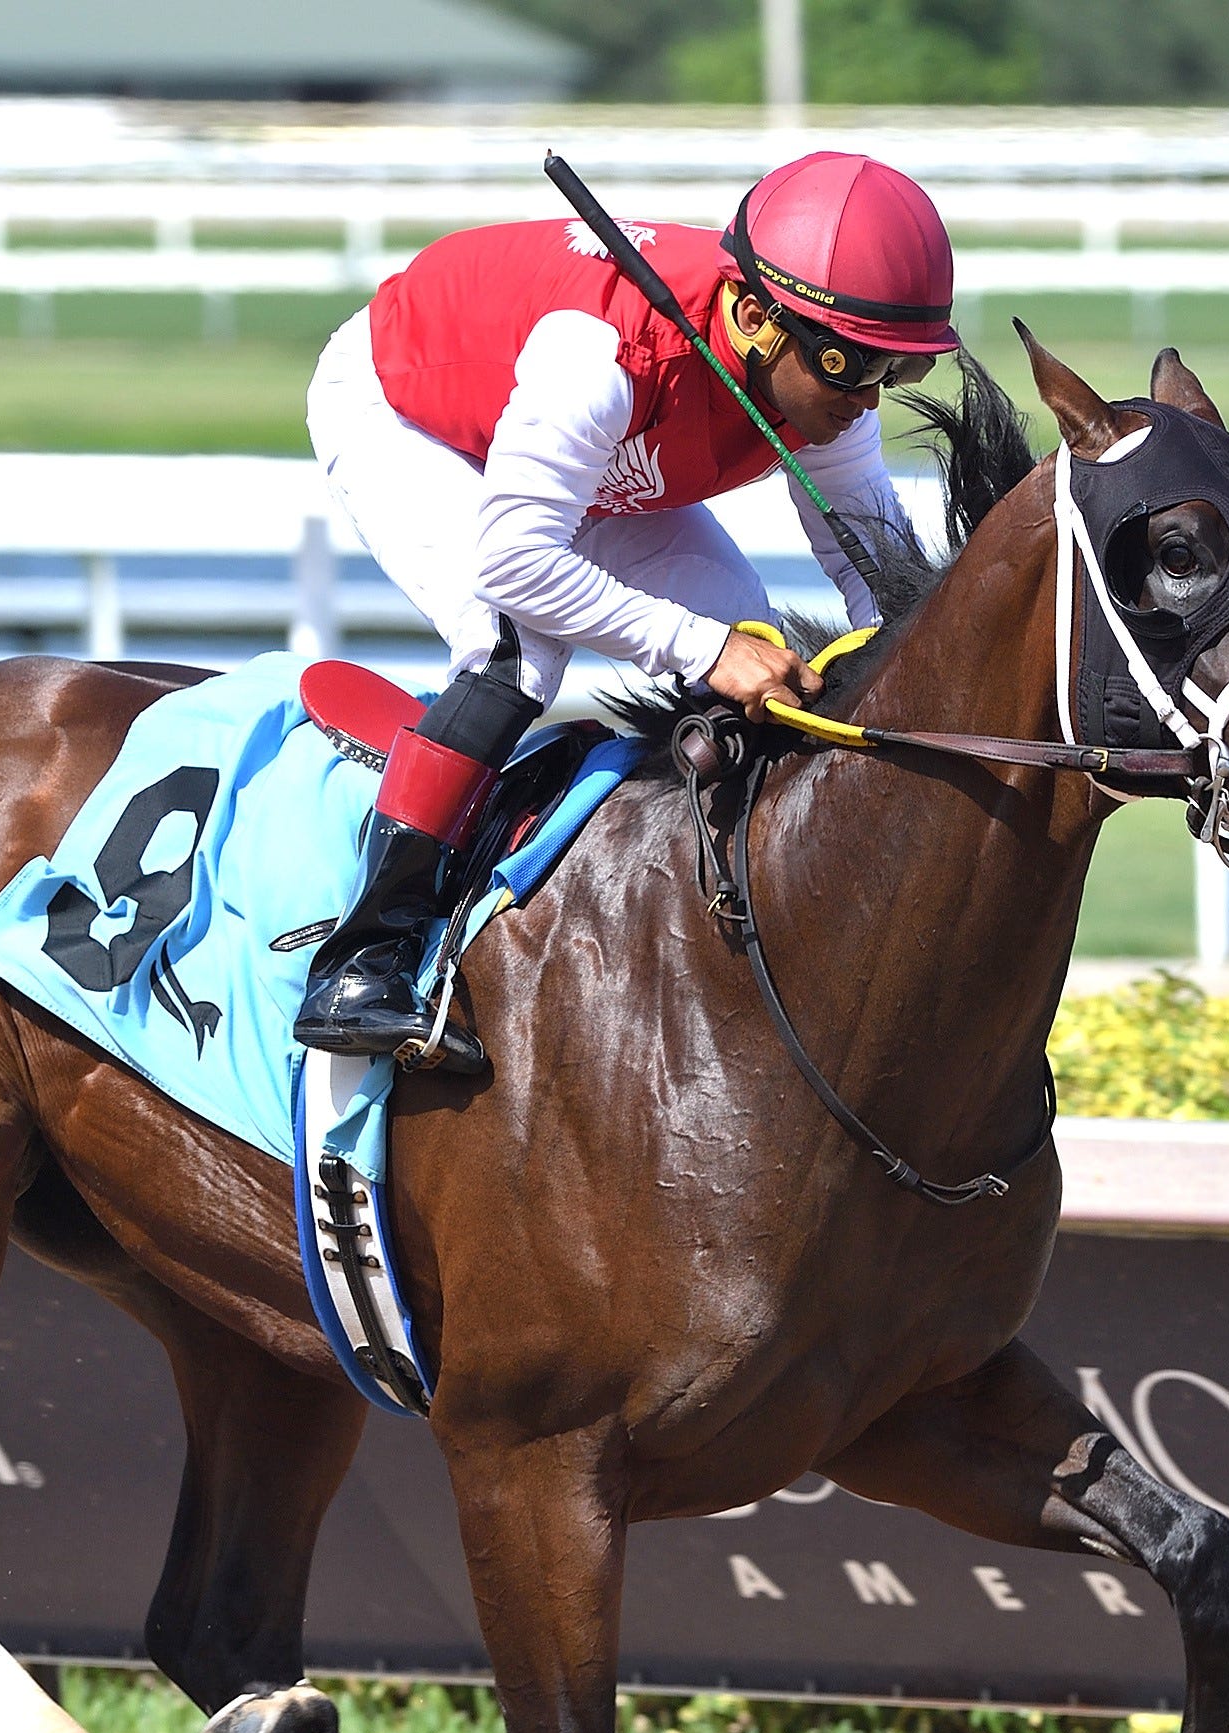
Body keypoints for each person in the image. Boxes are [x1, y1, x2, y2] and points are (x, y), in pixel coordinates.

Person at [292, 150, 960, 1067]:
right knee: (516, 650)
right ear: (758, 319)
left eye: (894, 372)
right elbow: (518, 559)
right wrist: (700, 648)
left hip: (578, 453)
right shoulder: (598, 358)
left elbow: (871, 563)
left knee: (748, 623)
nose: (867, 401)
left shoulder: (824, 377)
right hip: (415, 413)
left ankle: (706, 929)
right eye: (852, 369)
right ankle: (367, 954)